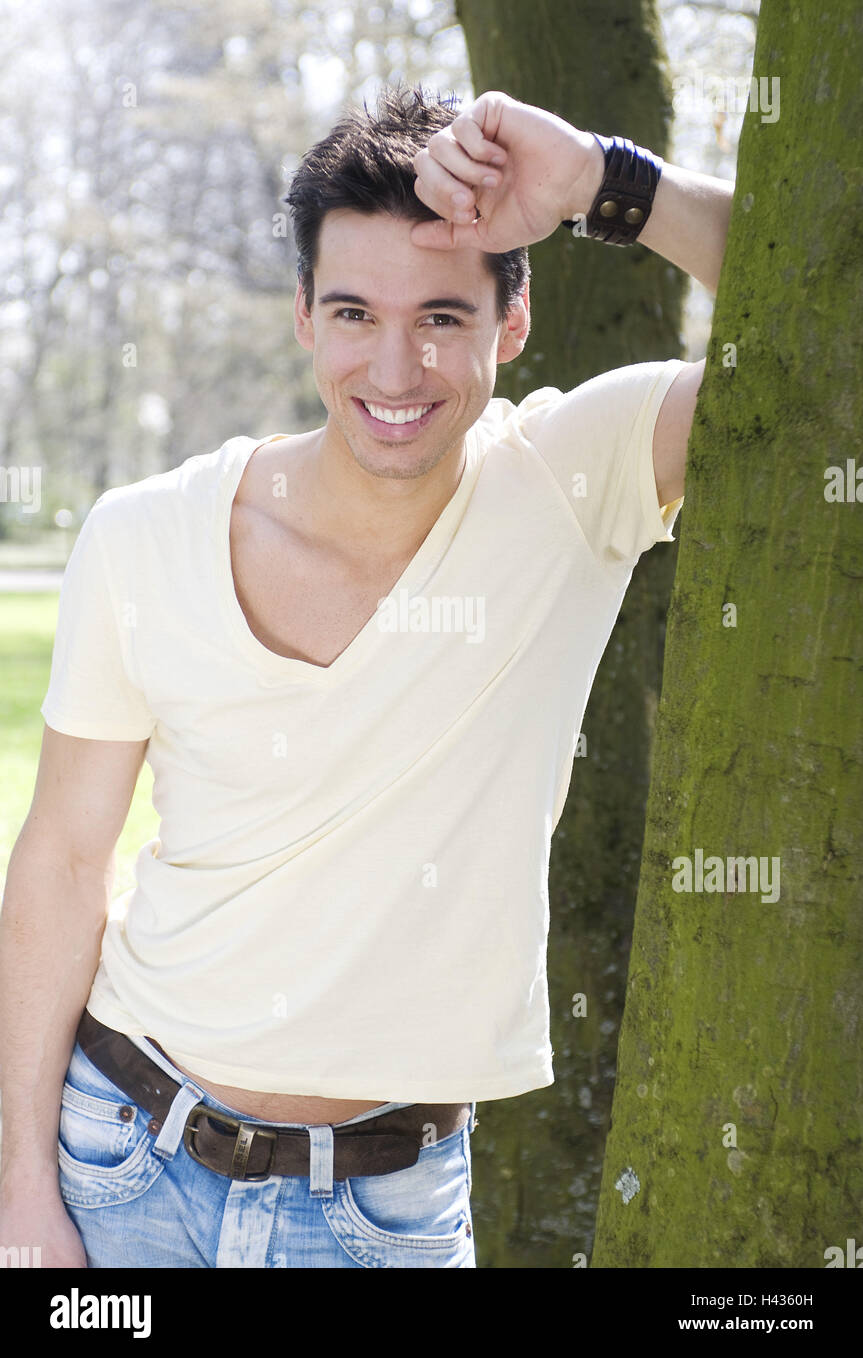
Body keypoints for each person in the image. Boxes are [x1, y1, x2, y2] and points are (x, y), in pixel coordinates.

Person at [0, 83, 733, 1269]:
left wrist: (606, 181)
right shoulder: (143, 535)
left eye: (442, 315)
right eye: (353, 311)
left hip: (380, 1219)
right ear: (301, 314)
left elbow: (824, 306)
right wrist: (21, 1192)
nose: (395, 368)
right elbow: (63, 863)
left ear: (512, 319)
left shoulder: (571, 481)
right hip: (119, 1163)